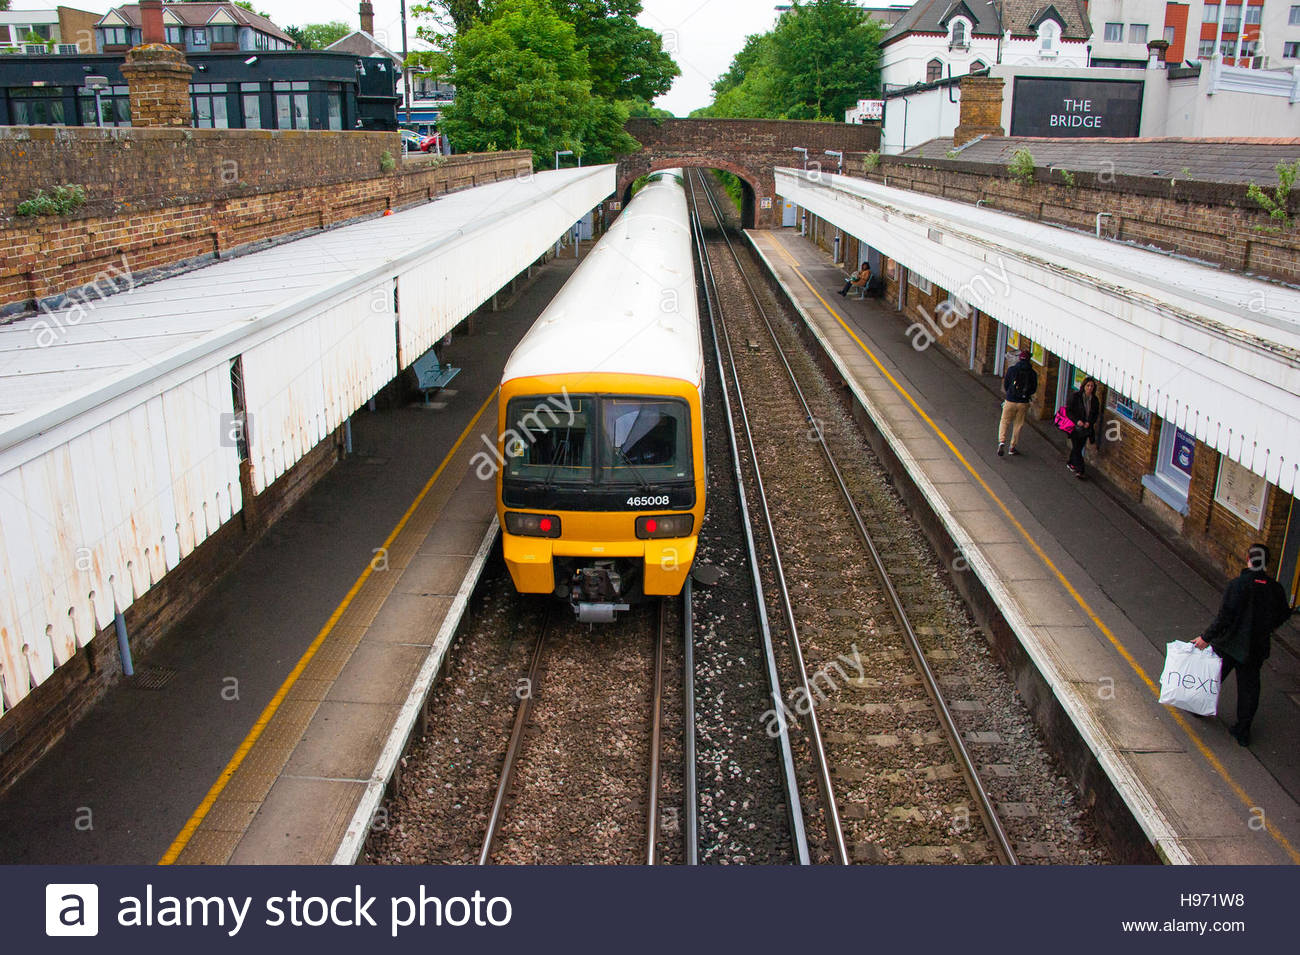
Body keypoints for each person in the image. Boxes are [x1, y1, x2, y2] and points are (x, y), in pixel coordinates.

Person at [1192, 544, 1292, 747]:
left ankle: (1200, 708)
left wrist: (1206, 637)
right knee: (1249, 689)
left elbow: (1224, 617)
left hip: (1229, 642)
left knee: (1214, 677)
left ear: (1248, 558)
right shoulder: (1275, 589)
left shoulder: (1238, 585)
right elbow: (1284, 614)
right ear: (1267, 563)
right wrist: (1268, 627)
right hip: (1255, 648)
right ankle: (1242, 730)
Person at [997, 349, 1038, 456]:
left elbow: (1006, 384)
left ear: (1019, 359)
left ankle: (1001, 442)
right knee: (1018, 424)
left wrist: (1010, 393)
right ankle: (1012, 447)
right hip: (1023, 402)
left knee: (1004, 421)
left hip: (1010, 400)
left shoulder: (1012, 370)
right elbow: (1033, 389)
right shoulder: (1033, 373)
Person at [1065, 377, 1101, 478]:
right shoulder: (1076, 396)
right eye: (1088, 386)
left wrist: (1089, 422)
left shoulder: (1094, 400)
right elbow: (1069, 411)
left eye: (1092, 386)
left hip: (1086, 429)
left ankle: (1071, 462)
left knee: (1079, 447)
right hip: (1075, 427)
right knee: (1077, 448)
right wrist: (1077, 421)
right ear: (1084, 386)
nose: (1090, 388)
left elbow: (1095, 414)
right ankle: (1080, 470)